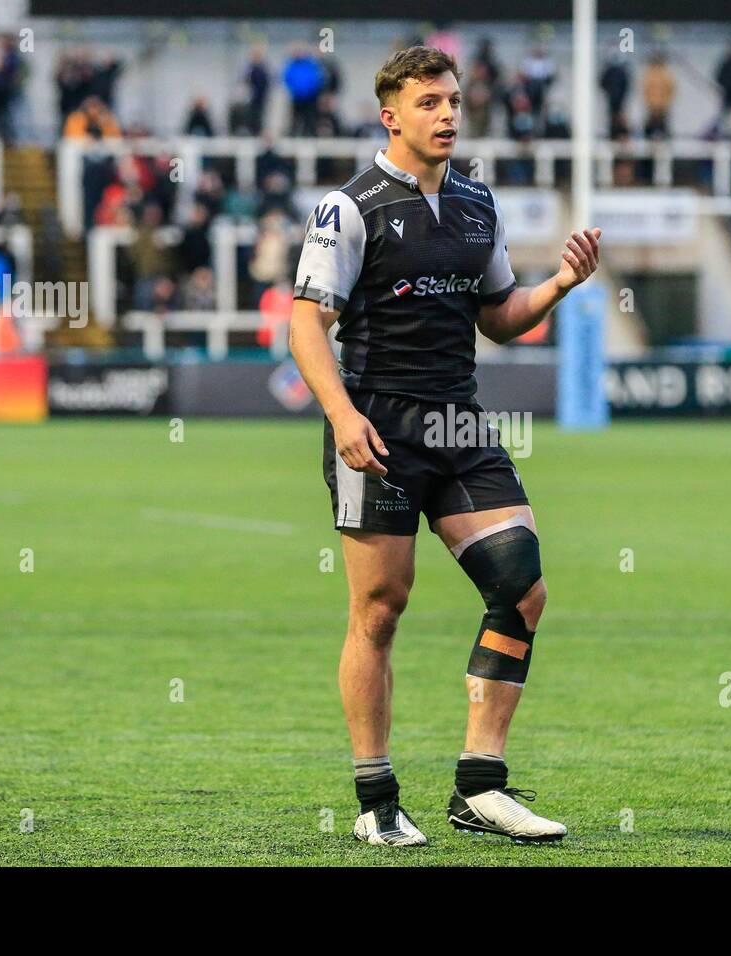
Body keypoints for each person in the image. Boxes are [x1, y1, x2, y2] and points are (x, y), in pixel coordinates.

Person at [287, 46, 602, 847]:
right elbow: (304, 323)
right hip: (379, 427)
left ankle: (480, 787)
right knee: (381, 611)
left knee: (521, 587)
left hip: (458, 424)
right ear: (390, 114)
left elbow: (499, 315)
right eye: (430, 103)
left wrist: (560, 284)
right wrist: (342, 415)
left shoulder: (475, 204)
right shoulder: (349, 207)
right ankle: (376, 800)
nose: (449, 115)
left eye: (454, 101)